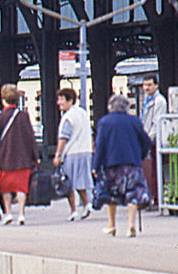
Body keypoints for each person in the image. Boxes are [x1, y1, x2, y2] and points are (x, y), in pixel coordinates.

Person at [93, 94, 152, 237]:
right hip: (132, 162)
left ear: (110, 107)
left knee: (112, 194)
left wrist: (96, 165)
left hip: (111, 163)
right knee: (133, 193)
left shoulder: (104, 122)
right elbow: (146, 141)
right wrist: (141, 155)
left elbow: (100, 145)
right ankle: (131, 224)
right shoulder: (134, 121)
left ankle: (112, 225)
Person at [0, 84, 40, 225]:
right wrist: (35, 156)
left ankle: (8, 213)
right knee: (21, 188)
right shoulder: (24, 116)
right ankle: (21, 214)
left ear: (3, 99)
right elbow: (31, 137)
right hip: (23, 158)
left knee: (6, 187)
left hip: (6, 158)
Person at [52, 88, 94, 220]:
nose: (59, 102)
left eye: (61, 100)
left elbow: (63, 137)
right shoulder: (83, 113)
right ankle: (87, 204)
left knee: (68, 182)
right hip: (85, 150)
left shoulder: (68, 117)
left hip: (72, 152)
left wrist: (58, 155)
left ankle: (73, 211)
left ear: (70, 101)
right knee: (81, 180)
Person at [141, 74, 167, 209]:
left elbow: (156, 122)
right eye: (145, 85)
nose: (147, 88)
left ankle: (157, 199)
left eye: (150, 85)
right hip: (146, 138)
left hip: (154, 140)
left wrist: (148, 138)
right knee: (149, 170)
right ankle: (152, 198)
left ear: (156, 85)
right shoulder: (146, 100)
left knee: (155, 170)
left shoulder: (159, 101)